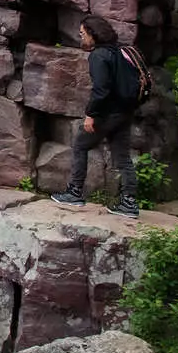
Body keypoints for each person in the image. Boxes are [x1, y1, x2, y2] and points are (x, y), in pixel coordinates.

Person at [51, 15, 140, 218]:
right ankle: (129, 203)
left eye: (82, 34)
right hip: (125, 112)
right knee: (123, 158)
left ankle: (74, 192)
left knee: (81, 145)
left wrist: (91, 114)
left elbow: (101, 90)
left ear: (93, 34)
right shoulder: (120, 52)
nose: (81, 37)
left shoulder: (99, 56)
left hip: (107, 114)